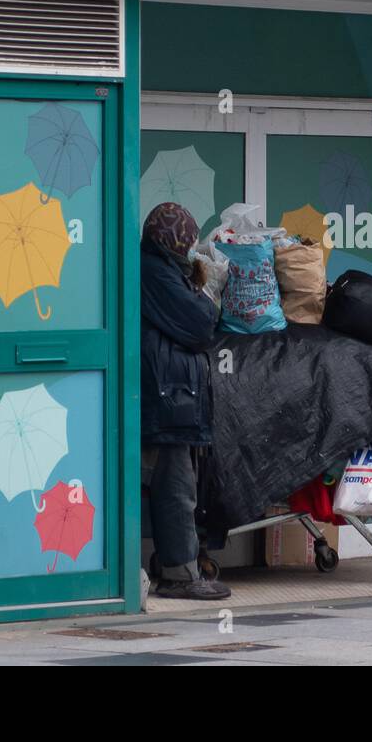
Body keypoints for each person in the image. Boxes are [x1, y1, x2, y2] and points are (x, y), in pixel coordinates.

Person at [140, 202, 231, 600]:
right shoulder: (157, 272)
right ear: (173, 243)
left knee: (179, 486)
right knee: (176, 488)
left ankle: (177, 563)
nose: (192, 249)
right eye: (188, 243)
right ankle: (178, 574)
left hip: (172, 394)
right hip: (167, 397)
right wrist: (205, 289)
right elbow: (199, 323)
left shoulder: (162, 269)